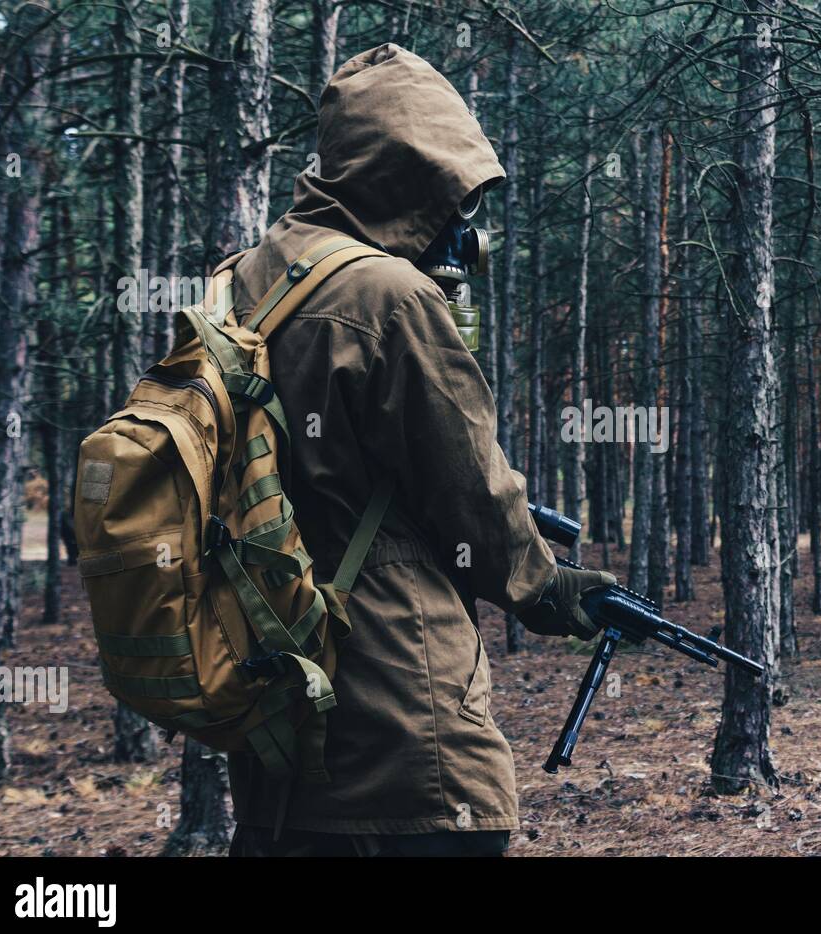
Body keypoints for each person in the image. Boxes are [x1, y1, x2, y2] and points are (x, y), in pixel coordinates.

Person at [226, 43, 613, 857]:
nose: (457, 223)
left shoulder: (238, 283)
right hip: (403, 732)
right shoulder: (390, 297)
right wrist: (553, 590)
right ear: (406, 177)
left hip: (274, 730)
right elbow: (471, 493)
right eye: (449, 196)